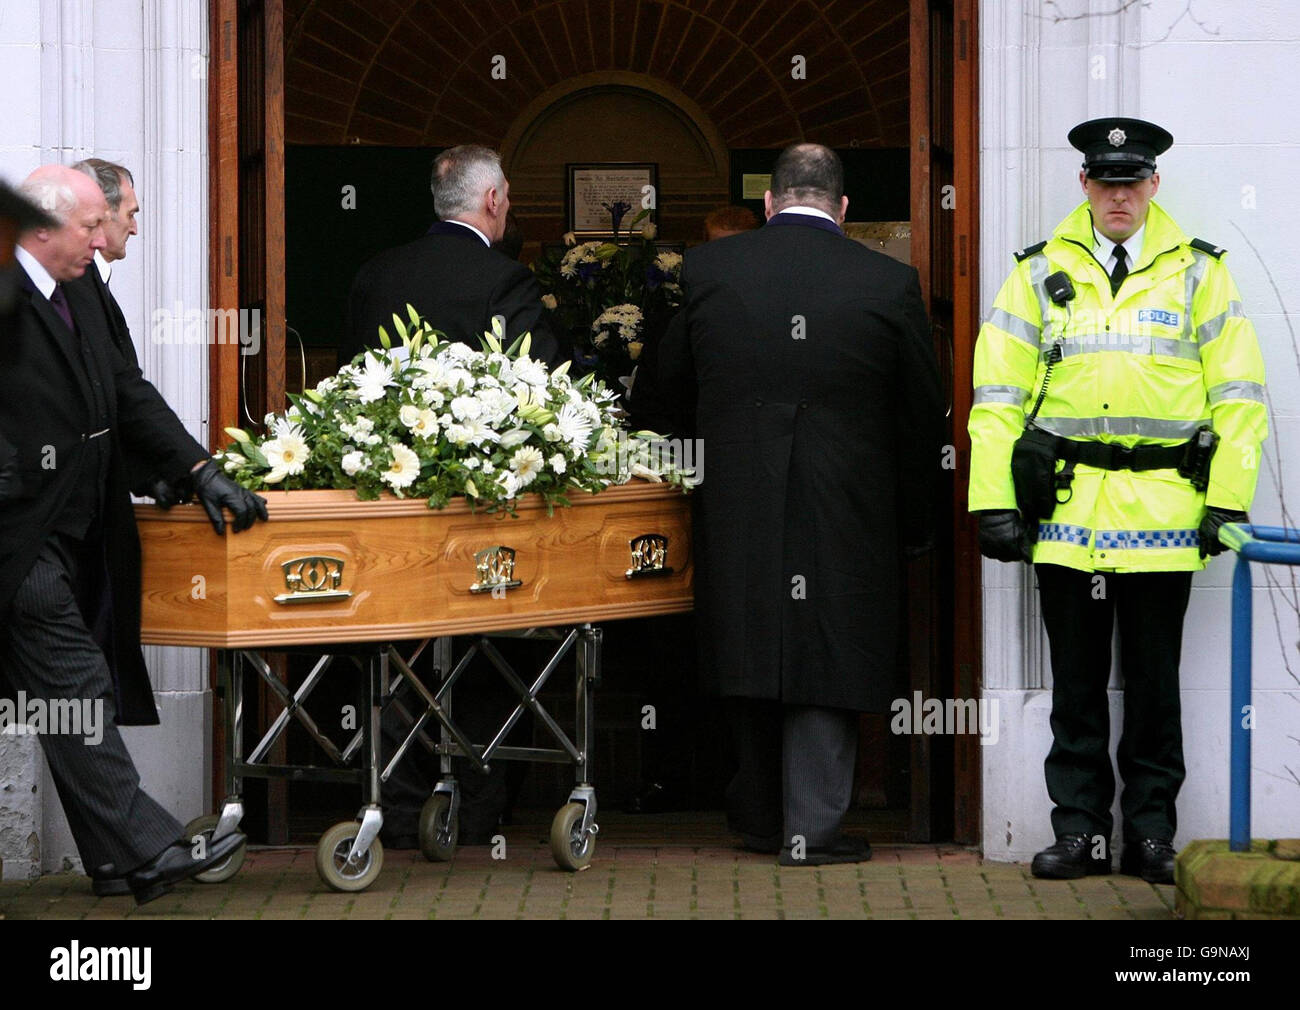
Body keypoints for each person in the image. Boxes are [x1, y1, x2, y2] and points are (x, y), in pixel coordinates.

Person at [968, 118, 1268, 884]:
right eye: (1106, 182)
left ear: (1154, 185)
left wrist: (1227, 503)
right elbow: (996, 397)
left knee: (1154, 690)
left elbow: (1240, 398)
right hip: (1066, 520)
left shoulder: (1200, 273)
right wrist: (990, 499)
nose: (1119, 196)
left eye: (1132, 182)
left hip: (1165, 518)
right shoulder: (1037, 271)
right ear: (1084, 186)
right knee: (1076, 691)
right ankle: (1078, 836)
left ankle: (1150, 838)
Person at [659, 143, 944, 865]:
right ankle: (811, 828)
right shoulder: (888, 281)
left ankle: (758, 817)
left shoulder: (709, 270)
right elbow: (921, 417)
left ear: (769, 204)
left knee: (750, 639)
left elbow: (661, 398)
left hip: (735, 498)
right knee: (829, 645)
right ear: (843, 208)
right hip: (850, 504)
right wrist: (916, 522)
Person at [0, 164, 268, 903]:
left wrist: (195, 469)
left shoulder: (79, 286)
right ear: (44, 227)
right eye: (91, 227)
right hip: (19, 543)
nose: (107, 240)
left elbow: (125, 391)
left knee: (65, 698)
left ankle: (118, 862)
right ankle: (147, 847)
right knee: (77, 687)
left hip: (77, 532)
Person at [341, 144, 558, 367]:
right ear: (492, 200)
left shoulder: (375, 270)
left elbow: (349, 371)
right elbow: (537, 372)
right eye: (507, 194)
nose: (508, 203)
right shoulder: (507, 279)